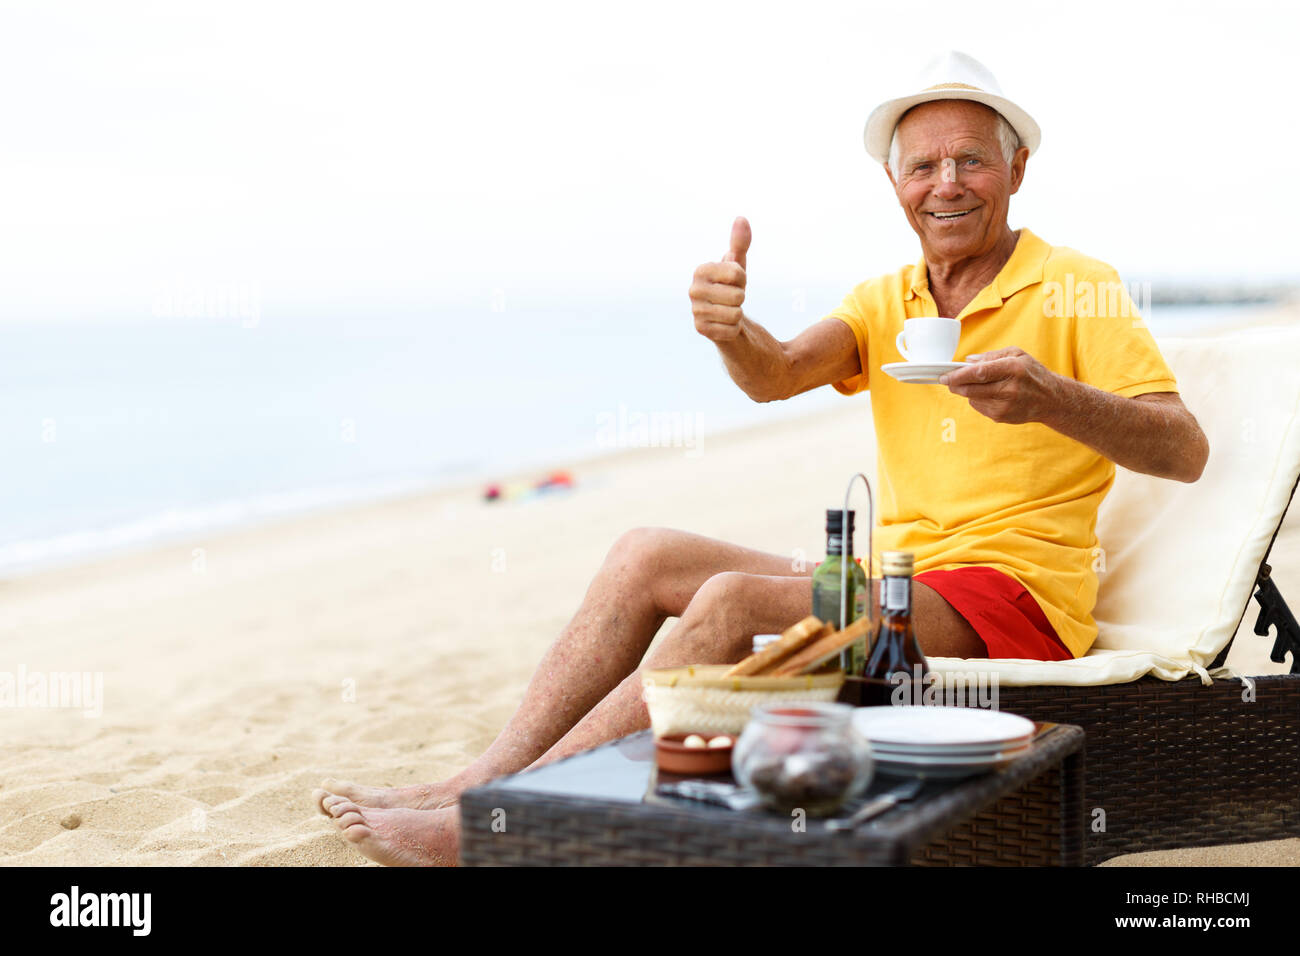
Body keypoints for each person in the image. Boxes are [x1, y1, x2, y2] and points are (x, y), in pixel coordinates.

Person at [314, 50, 1209, 865]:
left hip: (1010, 596)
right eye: (922, 165)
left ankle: (495, 826)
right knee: (646, 553)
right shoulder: (885, 297)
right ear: (895, 182)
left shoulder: (1078, 285)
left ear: (1017, 168)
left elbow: (1184, 449)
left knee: (733, 601)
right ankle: (481, 778)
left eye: (971, 158)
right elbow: (774, 375)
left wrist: (1051, 396)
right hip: (895, 576)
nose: (947, 183)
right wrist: (730, 329)